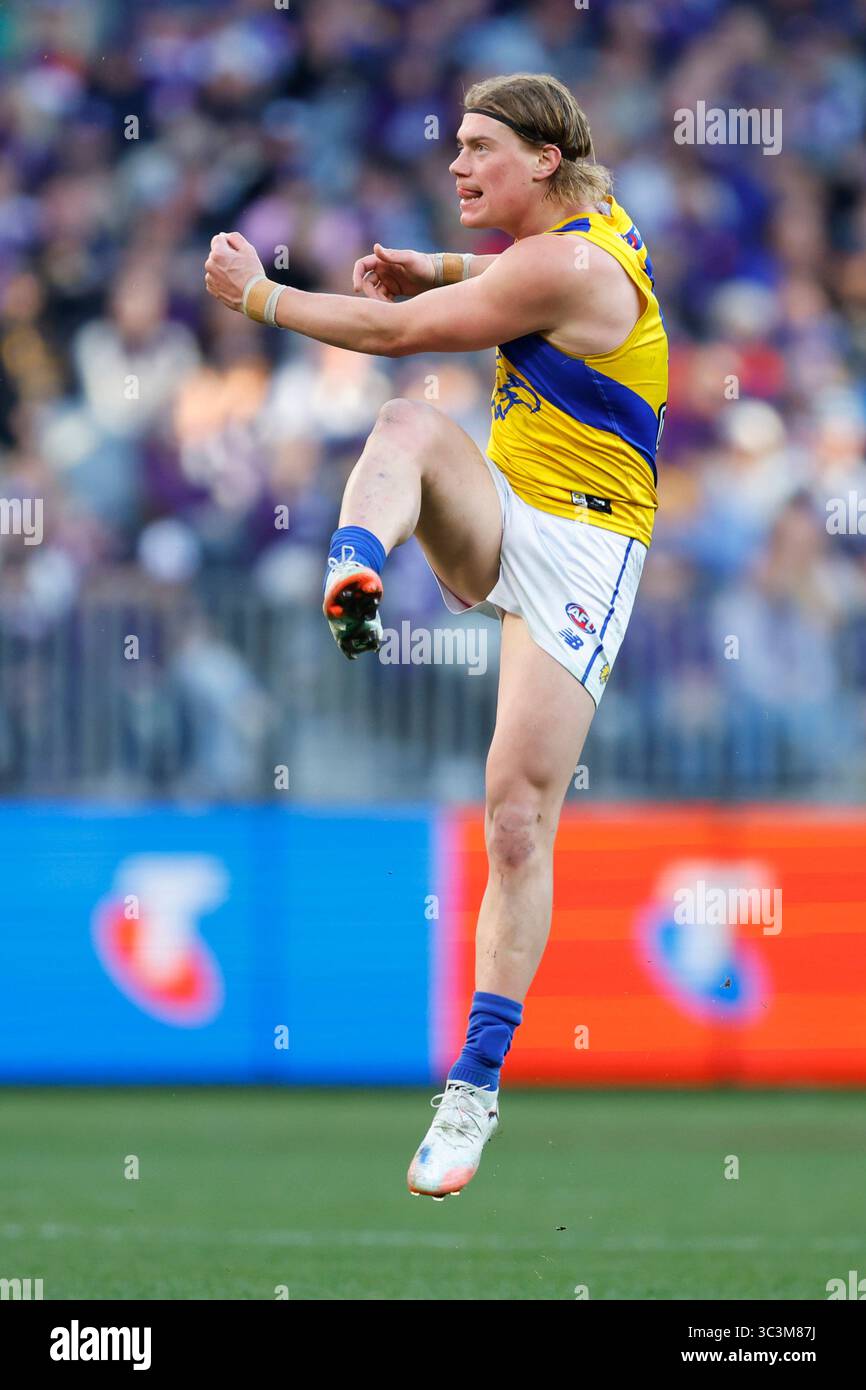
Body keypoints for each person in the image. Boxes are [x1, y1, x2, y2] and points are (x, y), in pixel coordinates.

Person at [205, 72, 668, 1199]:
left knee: (514, 815)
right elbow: (505, 284)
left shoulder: (565, 263)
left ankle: (472, 1085)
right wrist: (442, 262)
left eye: (477, 147)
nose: (455, 165)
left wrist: (260, 296)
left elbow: (391, 330)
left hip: (589, 551)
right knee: (408, 426)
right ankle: (354, 571)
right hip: (507, 509)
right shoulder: (581, 236)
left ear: (542, 160)